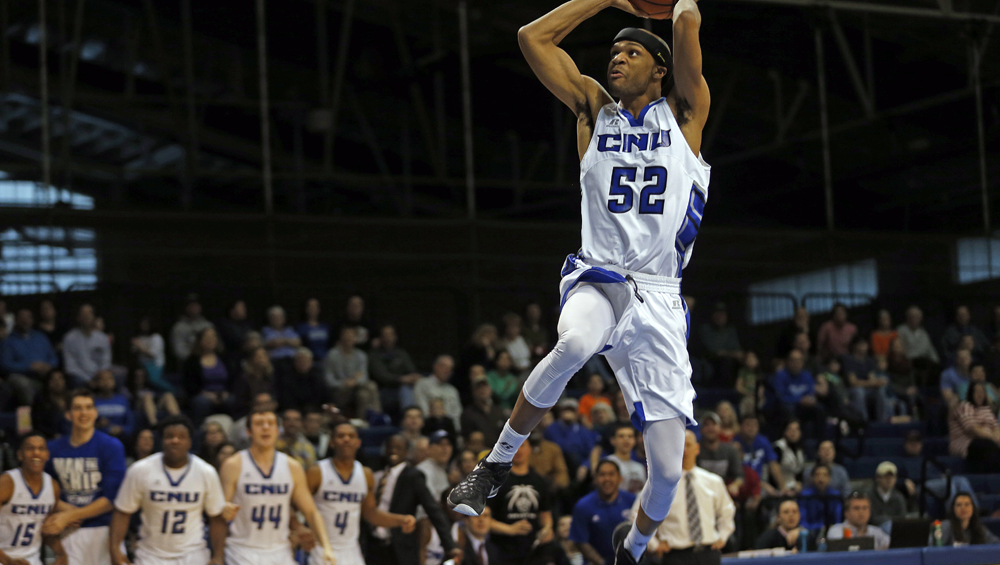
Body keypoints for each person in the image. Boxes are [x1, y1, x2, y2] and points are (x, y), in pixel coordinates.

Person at [451, 4, 712, 565]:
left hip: (661, 296)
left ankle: (632, 548)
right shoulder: (594, 109)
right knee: (574, 343)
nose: (617, 59)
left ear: (660, 69)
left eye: (631, 52)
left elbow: (687, 22)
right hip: (601, 275)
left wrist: (678, 5)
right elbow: (532, 37)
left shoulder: (684, 115)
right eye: (613, 52)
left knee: (669, 471)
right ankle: (495, 464)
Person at [219, 407, 336, 565]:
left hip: (281, 551)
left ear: (277, 430)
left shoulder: (292, 467)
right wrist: (224, 509)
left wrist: (326, 547)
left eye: (271, 423)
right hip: (242, 550)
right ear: (248, 431)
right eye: (259, 424)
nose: (265, 427)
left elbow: (311, 511)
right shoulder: (233, 464)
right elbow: (220, 511)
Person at [109, 415, 229, 565]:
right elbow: (123, 512)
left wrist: (218, 556)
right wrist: (115, 549)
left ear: (190, 442)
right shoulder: (140, 470)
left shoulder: (206, 472)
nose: (175, 440)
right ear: (161, 441)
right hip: (150, 554)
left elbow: (216, 517)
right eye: (169, 436)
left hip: (193, 554)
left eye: (181, 437)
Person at [308, 423, 417, 565]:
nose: (346, 439)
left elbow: (371, 514)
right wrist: (299, 528)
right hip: (321, 548)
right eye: (341, 436)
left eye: (351, 436)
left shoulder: (365, 474)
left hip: (351, 550)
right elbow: (297, 506)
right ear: (332, 442)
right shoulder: (316, 472)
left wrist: (400, 520)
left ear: (358, 443)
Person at [43, 389, 127, 565]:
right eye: (78, 408)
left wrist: (70, 515)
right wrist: (62, 509)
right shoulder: (53, 449)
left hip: (104, 530)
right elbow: (44, 489)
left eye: (89, 407)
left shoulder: (111, 446)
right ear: (68, 414)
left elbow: (112, 498)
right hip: (66, 531)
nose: (84, 413)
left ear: (95, 412)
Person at [643, 430, 735, 565]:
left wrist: (723, 535)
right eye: (679, 445)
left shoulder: (714, 481)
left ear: (697, 448)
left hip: (709, 552)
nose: (684, 450)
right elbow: (638, 516)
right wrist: (654, 544)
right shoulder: (659, 484)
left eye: (688, 445)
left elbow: (727, 511)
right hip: (676, 555)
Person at [370, 435, 461, 565]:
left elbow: (433, 510)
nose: (393, 451)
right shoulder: (377, 475)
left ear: (407, 452)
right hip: (374, 546)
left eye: (399, 448)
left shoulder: (413, 476)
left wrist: (450, 546)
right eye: (390, 447)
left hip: (399, 546)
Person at [0, 431, 68, 565]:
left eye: (41, 449)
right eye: (30, 448)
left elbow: (46, 531)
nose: (36, 453)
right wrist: (8, 561)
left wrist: (60, 553)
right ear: (20, 455)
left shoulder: (53, 487)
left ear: (47, 455)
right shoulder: (7, 482)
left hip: (32, 559)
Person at [487, 442, 554, 565]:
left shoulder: (539, 481)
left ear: (530, 449)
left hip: (533, 551)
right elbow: (484, 518)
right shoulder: (496, 481)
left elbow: (545, 514)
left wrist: (547, 529)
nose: (518, 450)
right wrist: (509, 529)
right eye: (514, 446)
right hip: (502, 549)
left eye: (522, 446)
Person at [569, 460, 636, 565]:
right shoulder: (583, 506)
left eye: (611, 474)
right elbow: (580, 541)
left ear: (620, 478)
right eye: (602, 475)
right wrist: (602, 563)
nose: (607, 479)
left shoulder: (633, 501)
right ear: (595, 479)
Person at [1, 307, 59, 406]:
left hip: (44, 375)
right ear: (16, 320)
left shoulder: (41, 337)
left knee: (59, 379)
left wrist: (47, 366)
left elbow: (54, 358)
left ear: (32, 320)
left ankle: (58, 412)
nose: (25, 320)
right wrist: (29, 367)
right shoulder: (8, 341)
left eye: (28, 317)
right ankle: (34, 412)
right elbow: (5, 364)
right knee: (22, 383)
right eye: (22, 318)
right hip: (21, 376)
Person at [324, 326, 378, 418]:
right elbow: (328, 379)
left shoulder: (361, 355)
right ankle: (378, 415)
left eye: (351, 337)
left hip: (357, 388)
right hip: (340, 391)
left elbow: (363, 376)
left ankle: (362, 420)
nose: (348, 340)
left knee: (364, 394)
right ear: (341, 339)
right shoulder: (332, 355)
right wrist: (343, 383)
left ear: (355, 339)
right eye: (346, 337)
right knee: (371, 386)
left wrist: (354, 382)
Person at [183, 327, 234, 426]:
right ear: (200, 341)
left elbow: (232, 380)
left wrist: (225, 393)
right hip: (202, 394)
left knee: (231, 400)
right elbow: (189, 385)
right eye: (207, 337)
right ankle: (199, 428)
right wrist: (207, 395)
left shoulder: (224, 358)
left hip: (223, 393)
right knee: (201, 402)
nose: (211, 340)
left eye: (213, 337)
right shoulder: (192, 361)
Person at [949, 381, 1000, 473]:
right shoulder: (965, 406)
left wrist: (997, 437)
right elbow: (972, 429)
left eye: (982, 392)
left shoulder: (986, 409)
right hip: (968, 444)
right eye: (977, 392)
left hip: (988, 442)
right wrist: (993, 437)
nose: (980, 395)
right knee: (987, 445)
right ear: (971, 393)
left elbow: (996, 428)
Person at [369, 324, 423, 409]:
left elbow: (411, 369)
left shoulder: (401, 353)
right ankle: (408, 414)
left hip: (405, 385)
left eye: (391, 334)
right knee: (405, 390)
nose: (388, 338)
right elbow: (382, 376)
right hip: (385, 389)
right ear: (381, 338)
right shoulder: (374, 355)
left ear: (395, 337)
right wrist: (401, 379)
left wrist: (414, 377)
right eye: (385, 335)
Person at [772, 350, 824, 436]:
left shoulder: (807, 375)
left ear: (802, 363)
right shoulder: (780, 375)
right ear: (788, 362)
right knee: (787, 409)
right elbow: (780, 396)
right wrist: (799, 399)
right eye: (793, 360)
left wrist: (811, 399)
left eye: (799, 361)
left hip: (804, 406)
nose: (796, 363)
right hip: (789, 405)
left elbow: (811, 391)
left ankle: (820, 439)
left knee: (820, 409)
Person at [62, 304, 112, 387]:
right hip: (80, 377)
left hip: (100, 376)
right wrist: (87, 380)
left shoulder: (102, 338)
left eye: (89, 313)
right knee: (75, 380)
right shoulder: (69, 338)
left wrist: (101, 373)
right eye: (83, 314)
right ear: (78, 317)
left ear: (94, 317)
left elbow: (106, 360)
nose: (87, 316)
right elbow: (70, 366)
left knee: (118, 376)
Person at [734, 415, 784, 496]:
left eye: (755, 425)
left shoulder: (763, 442)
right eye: (748, 425)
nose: (752, 428)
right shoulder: (734, 443)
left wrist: (783, 487)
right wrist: (759, 484)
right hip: (740, 483)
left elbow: (773, 464)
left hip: (760, 483)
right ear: (740, 427)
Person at [695, 413, 742, 497]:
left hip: (723, 493)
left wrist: (735, 485)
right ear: (701, 429)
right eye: (706, 425)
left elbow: (739, 476)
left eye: (714, 424)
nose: (710, 428)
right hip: (700, 493)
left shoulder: (730, 450)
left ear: (720, 428)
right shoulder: (695, 450)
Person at [697, 302, 743, 387]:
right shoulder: (705, 329)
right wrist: (730, 353)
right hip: (711, 362)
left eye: (723, 314)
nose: (720, 316)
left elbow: (737, 350)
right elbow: (715, 351)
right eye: (717, 313)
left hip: (731, 362)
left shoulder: (730, 331)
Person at [843, 338, 888, 421]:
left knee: (881, 391)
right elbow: (853, 382)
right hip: (851, 389)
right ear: (855, 346)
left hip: (867, 389)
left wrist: (878, 382)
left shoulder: (868, 360)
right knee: (859, 391)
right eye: (861, 344)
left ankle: (883, 420)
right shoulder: (849, 359)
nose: (864, 347)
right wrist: (871, 383)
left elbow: (872, 379)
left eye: (865, 344)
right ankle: (863, 420)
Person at [544, 401, 598, 471]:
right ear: (560, 413)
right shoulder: (552, 428)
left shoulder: (583, 431)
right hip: (557, 464)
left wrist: (585, 465)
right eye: (565, 410)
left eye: (571, 411)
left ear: (576, 414)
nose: (568, 413)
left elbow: (591, 452)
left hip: (578, 465)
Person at [414, 356, 463, 433]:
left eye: (450, 368)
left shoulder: (452, 390)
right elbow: (422, 411)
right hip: (429, 429)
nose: (447, 370)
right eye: (444, 366)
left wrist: (456, 431)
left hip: (450, 430)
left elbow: (457, 414)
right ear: (435, 367)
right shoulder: (422, 384)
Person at [931, 492, 999, 546]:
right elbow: (934, 550)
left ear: (973, 508)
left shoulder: (979, 528)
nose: (963, 508)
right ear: (953, 509)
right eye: (959, 505)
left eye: (967, 504)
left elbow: (996, 544)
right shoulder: (944, 526)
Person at [276, 348, 329, 414]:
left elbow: (323, 396)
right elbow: (285, 398)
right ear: (295, 362)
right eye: (300, 361)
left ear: (311, 362)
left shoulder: (318, 377)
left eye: (306, 361)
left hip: (314, 409)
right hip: (292, 409)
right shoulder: (287, 377)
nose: (303, 363)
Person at [462, 378, 508, 448]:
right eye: (479, 388)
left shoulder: (500, 412)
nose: (482, 390)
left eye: (485, 387)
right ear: (473, 391)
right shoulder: (468, 414)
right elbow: (466, 441)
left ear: (490, 390)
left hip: (500, 450)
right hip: (479, 452)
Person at [91, 369, 135, 441]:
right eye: (103, 379)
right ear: (97, 383)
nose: (106, 382)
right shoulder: (92, 402)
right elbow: (87, 427)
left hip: (122, 439)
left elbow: (130, 425)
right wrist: (99, 425)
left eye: (110, 378)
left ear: (114, 381)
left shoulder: (123, 401)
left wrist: (121, 429)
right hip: (99, 439)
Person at [170, 294, 214, 366]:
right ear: (186, 307)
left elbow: (218, 347)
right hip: (188, 365)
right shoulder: (179, 327)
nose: (194, 307)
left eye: (196, 305)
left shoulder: (208, 325)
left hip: (209, 363)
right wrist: (196, 350)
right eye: (191, 305)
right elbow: (179, 353)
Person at [602, 424, 646, 495]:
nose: (626, 439)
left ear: (635, 441)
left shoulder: (640, 467)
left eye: (630, 436)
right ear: (613, 440)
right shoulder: (607, 463)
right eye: (621, 436)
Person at [796, 465, 841, 531]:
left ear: (829, 478)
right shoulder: (805, 495)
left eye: (824, 475)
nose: (821, 478)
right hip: (809, 530)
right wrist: (819, 527)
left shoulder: (835, 495)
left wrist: (834, 528)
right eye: (817, 475)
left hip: (832, 531)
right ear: (812, 478)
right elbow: (802, 521)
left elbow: (838, 519)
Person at [771, 420, 805, 495]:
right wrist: (783, 487)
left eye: (796, 429)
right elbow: (773, 467)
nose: (793, 432)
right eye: (790, 429)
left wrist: (799, 483)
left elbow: (800, 470)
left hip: (794, 488)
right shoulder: (778, 447)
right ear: (784, 431)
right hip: (778, 488)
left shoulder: (799, 449)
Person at [868, 461, 907, 526]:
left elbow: (902, 517)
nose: (889, 480)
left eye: (892, 477)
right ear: (878, 478)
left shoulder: (899, 497)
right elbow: (870, 518)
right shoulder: (869, 496)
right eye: (886, 477)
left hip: (895, 528)